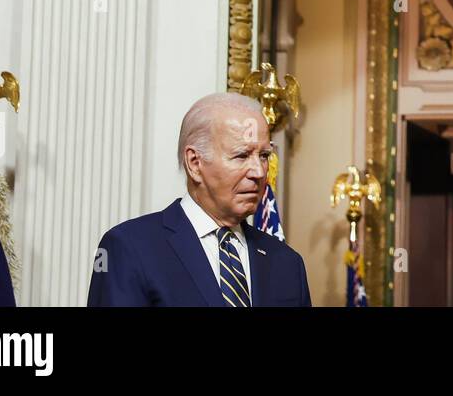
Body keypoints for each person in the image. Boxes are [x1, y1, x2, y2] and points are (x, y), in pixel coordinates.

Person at [87, 92, 311, 306]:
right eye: (241, 155)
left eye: (263, 156)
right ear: (195, 163)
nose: (259, 172)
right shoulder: (129, 248)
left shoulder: (287, 263)